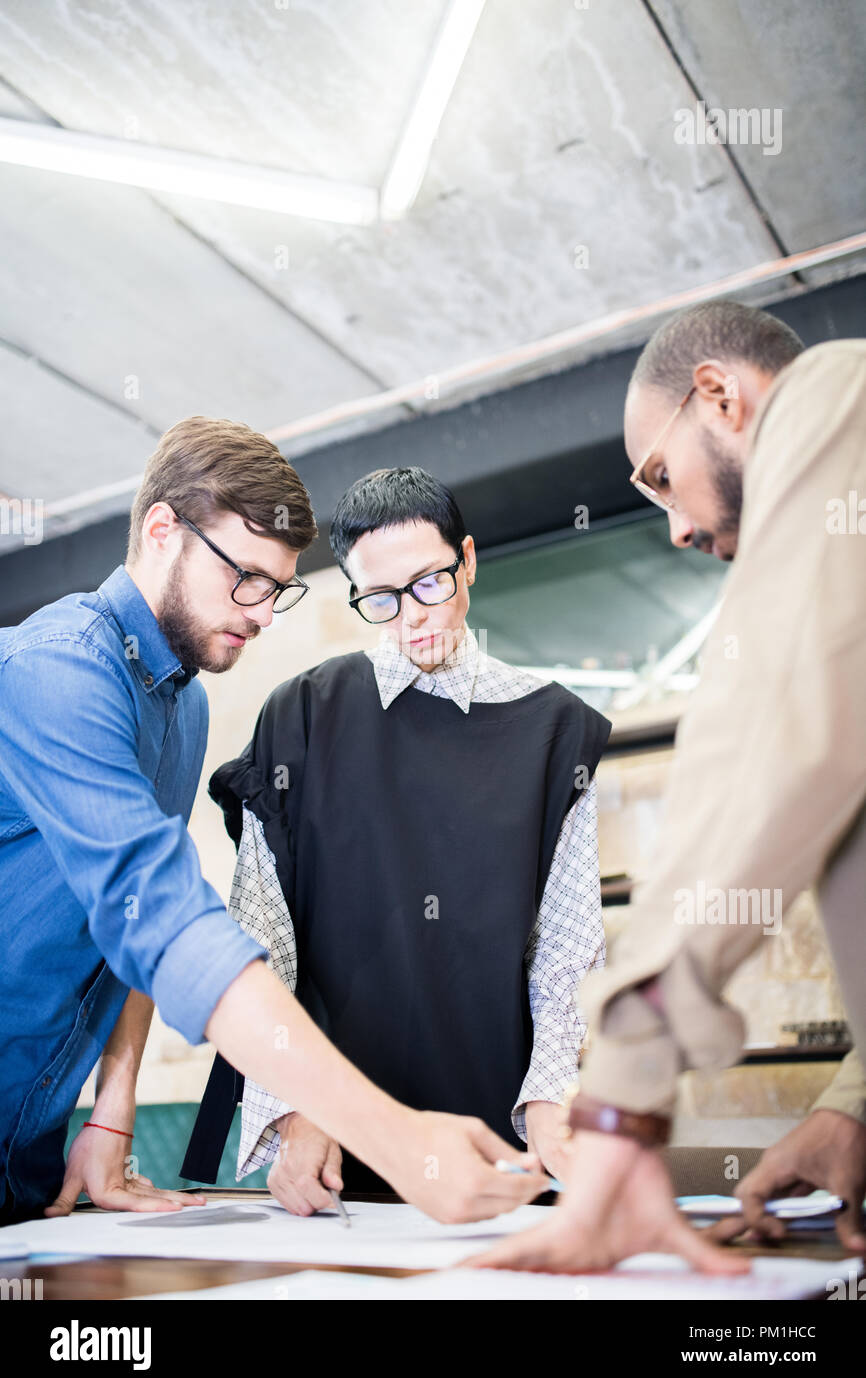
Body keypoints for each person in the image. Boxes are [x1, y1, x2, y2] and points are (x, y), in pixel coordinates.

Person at [0, 417, 545, 1226]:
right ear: (162, 531)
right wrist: (395, 1141)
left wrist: (112, 1115)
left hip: (30, 1146)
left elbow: (137, 932)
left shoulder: (180, 705)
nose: (262, 612)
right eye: (246, 577)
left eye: (279, 588)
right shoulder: (55, 671)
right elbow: (173, 928)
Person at [467, 301, 866, 1273]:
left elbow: (775, 729)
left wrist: (623, 1089)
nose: (677, 526)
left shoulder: (835, 389)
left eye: (660, 478)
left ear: (719, 395)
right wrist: (851, 1109)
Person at [182, 467, 611, 1214]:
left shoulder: (556, 733)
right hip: (337, 1148)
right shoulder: (303, 717)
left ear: (467, 561)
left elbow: (565, 951)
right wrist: (293, 1107)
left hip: (498, 1148)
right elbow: (261, 940)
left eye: (429, 584)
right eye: (379, 599)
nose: (411, 617)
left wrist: (549, 1097)